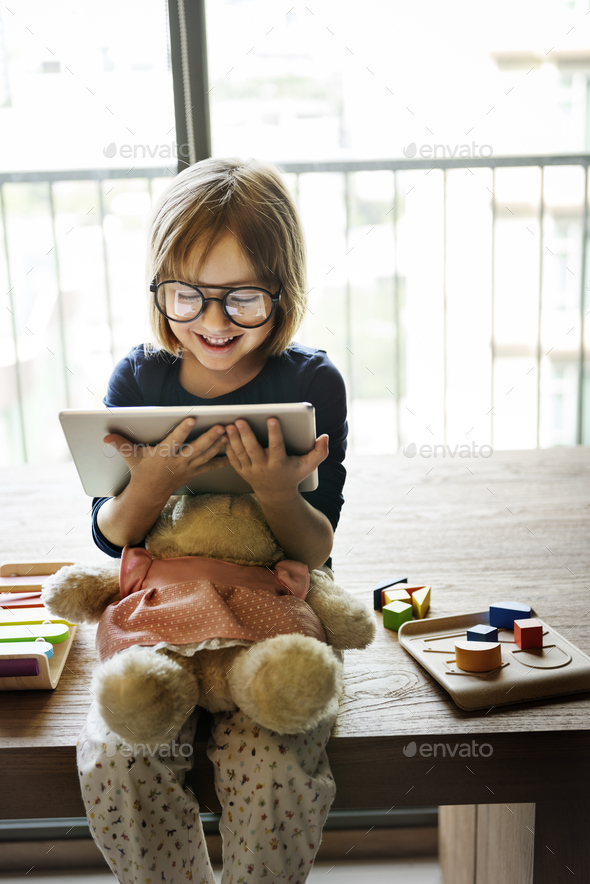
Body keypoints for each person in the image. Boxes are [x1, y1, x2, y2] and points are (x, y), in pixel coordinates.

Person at [77, 156, 348, 884]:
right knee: (120, 753)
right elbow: (111, 534)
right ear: (159, 289)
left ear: (282, 292)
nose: (215, 323)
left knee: (274, 753)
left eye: (244, 299)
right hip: (160, 612)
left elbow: (317, 546)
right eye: (188, 297)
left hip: (271, 610)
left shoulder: (311, 381)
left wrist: (278, 496)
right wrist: (155, 479)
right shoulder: (139, 377)